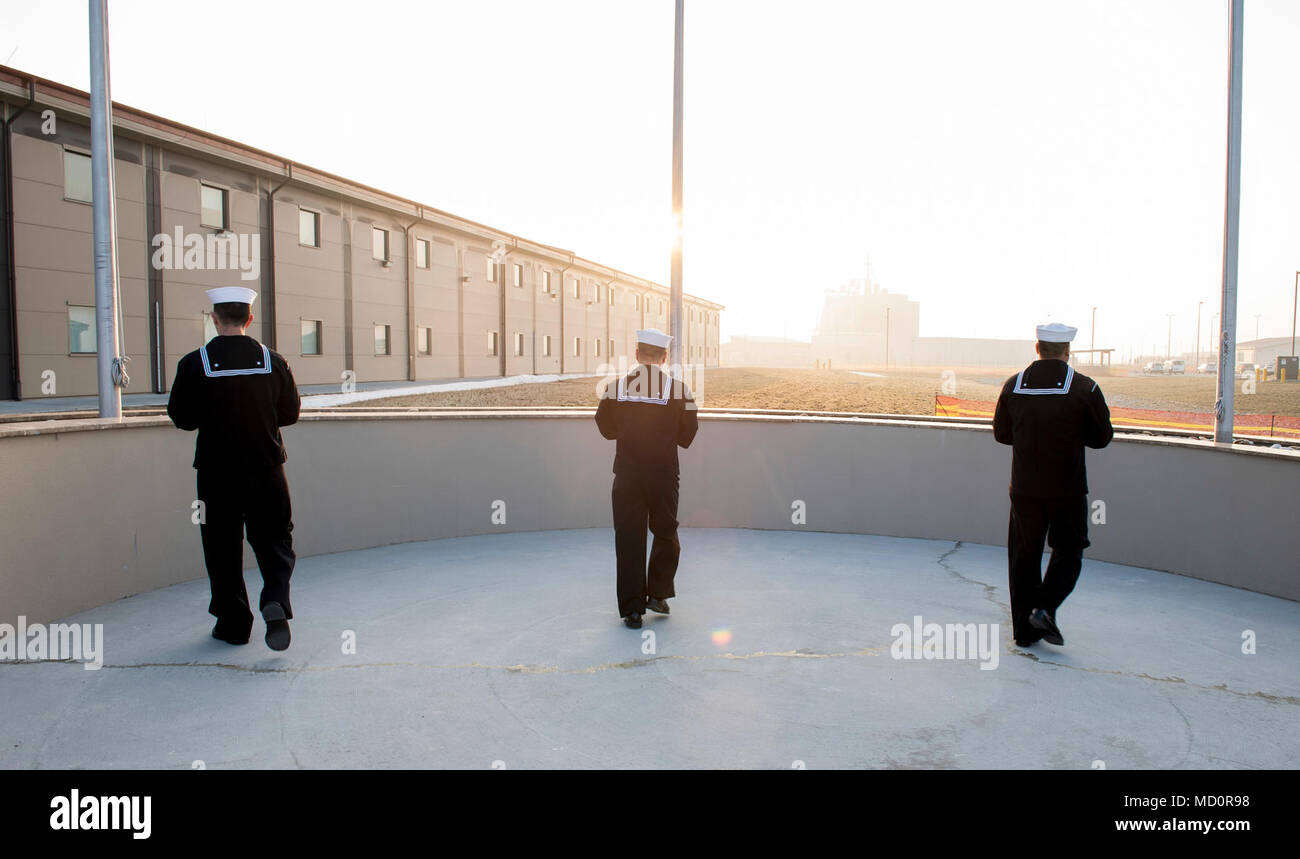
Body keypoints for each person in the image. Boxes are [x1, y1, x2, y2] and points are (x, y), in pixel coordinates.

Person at [167, 287, 301, 651]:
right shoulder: (275, 360)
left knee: (221, 546)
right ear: (249, 318)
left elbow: (182, 418)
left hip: (216, 474)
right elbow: (289, 414)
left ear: (214, 319)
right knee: (275, 540)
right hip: (268, 469)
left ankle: (234, 624)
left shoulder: (194, 363)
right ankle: (275, 598)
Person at [992, 322, 1113, 647]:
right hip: (1067, 490)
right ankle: (1045, 608)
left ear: (1037, 348)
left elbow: (1002, 435)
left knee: (1024, 556)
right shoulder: (1084, 388)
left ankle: (1025, 633)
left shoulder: (1013, 385)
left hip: (1024, 489)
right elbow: (1102, 438)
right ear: (1067, 351)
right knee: (1070, 551)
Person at [595, 329, 699, 629]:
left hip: (627, 475)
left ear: (637, 354)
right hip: (664, 476)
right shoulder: (681, 390)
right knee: (666, 532)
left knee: (629, 537)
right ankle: (657, 593)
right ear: (665, 358)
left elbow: (606, 428)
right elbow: (688, 436)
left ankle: (632, 610)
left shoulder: (614, 388)